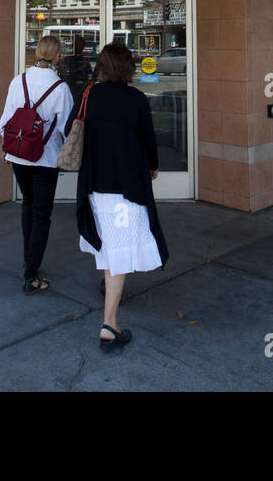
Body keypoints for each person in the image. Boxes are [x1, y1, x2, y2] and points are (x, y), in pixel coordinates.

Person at [76, 42, 169, 352]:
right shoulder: (136, 100)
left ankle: (110, 316)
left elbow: (73, 131)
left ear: (102, 66)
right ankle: (108, 323)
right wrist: (153, 167)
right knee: (117, 252)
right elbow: (149, 141)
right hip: (126, 186)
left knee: (110, 247)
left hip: (95, 185)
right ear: (128, 67)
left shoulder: (91, 96)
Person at [0, 36, 74, 295]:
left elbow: (5, 121)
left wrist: (7, 148)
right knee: (42, 214)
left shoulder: (18, 81)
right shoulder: (61, 89)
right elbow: (65, 130)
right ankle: (31, 275)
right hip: (45, 159)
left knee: (28, 205)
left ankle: (28, 260)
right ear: (58, 57)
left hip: (18, 157)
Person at [58, 36, 93, 113]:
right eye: (79, 45)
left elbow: (90, 75)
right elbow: (67, 76)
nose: (81, 47)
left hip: (83, 90)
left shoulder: (84, 60)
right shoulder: (68, 59)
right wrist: (80, 68)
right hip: (71, 90)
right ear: (74, 46)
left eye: (82, 45)